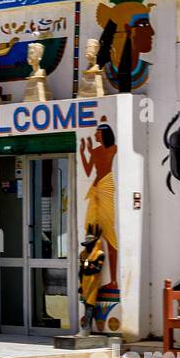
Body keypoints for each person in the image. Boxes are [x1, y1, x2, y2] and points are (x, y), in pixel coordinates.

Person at [80, 121, 119, 290]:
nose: (95, 135)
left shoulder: (113, 149)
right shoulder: (95, 151)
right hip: (95, 188)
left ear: (103, 134)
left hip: (107, 187)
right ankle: (91, 277)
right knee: (91, 230)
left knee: (109, 233)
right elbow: (88, 171)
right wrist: (83, 152)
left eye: (97, 133)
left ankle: (114, 280)